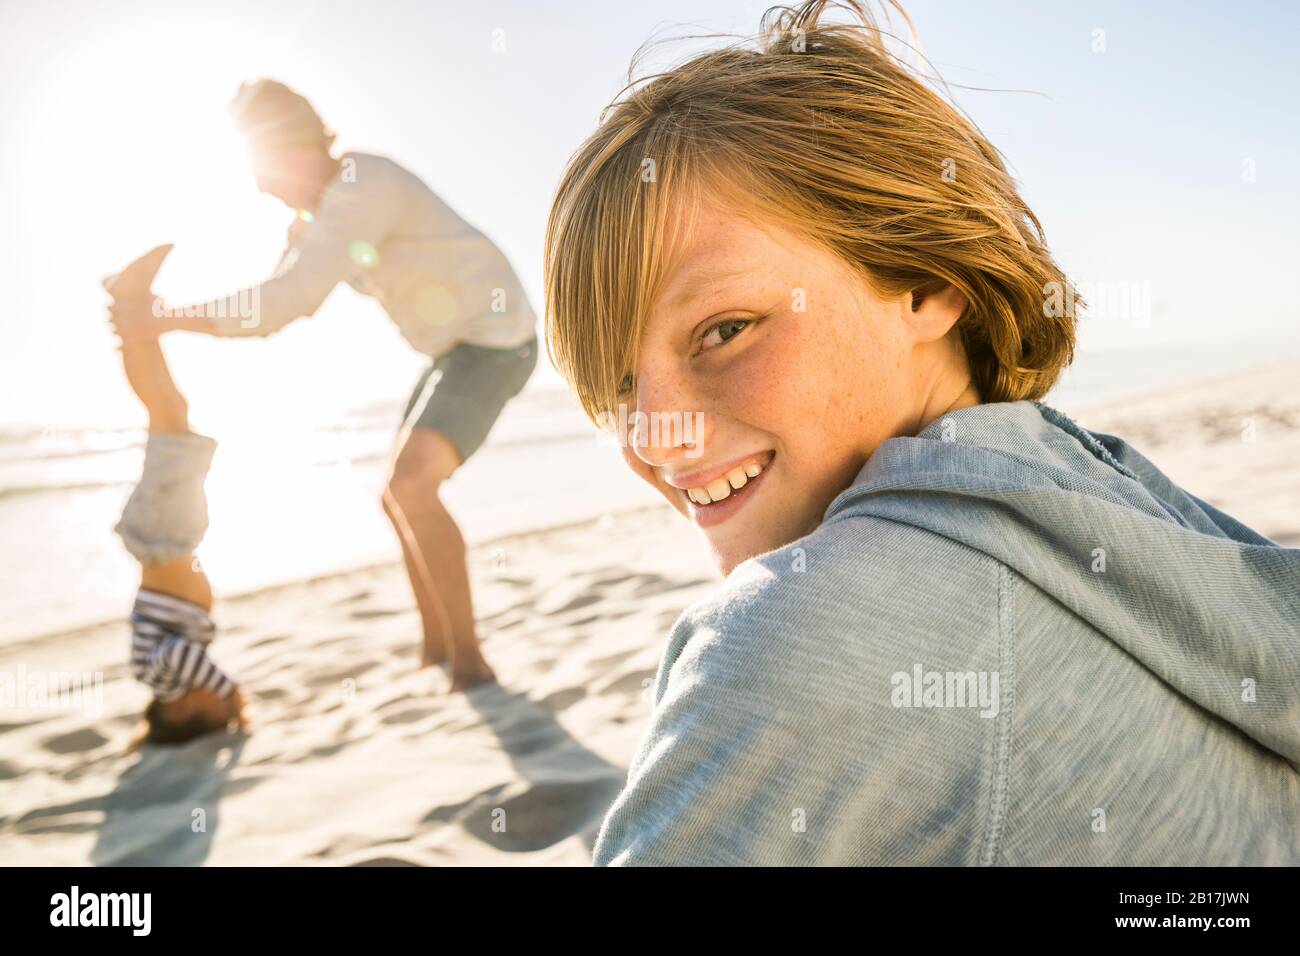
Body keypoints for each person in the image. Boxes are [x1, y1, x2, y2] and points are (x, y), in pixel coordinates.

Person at [543, 0, 1300, 864]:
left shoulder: (793, 638)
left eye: (725, 330)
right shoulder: (1105, 497)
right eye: (619, 385)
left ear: (924, 285)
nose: (658, 436)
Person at [109, 81, 537, 691]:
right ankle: (436, 648)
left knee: (413, 487)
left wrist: (165, 317)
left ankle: (469, 662)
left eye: (265, 168)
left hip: (498, 341)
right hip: (452, 352)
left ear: (298, 142)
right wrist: (163, 316)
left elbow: (286, 302)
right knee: (395, 498)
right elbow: (271, 299)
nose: (261, 187)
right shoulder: (318, 220)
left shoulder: (365, 185)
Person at [105, 245, 246, 745]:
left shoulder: (159, 678)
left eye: (213, 706)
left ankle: (129, 307)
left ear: (185, 710)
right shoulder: (163, 682)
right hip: (167, 537)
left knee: (168, 413)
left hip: (161, 536)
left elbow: (185, 657)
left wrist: (232, 693)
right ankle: (130, 312)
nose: (215, 694)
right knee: (170, 412)